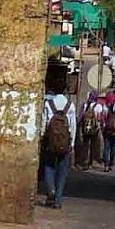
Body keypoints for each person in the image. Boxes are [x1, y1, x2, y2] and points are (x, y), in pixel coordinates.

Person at [40, 71, 76, 208]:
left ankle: (51, 189)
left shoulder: (49, 104)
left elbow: (44, 122)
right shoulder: (70, 106)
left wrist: (43, 137)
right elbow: (72, 126)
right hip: (65, 142)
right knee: (62, 171)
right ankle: (58, 200)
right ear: (65, 90)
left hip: (50, 141)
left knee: (48, 166)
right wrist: (72, 143)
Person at [101, 90, 115, 170]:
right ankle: (111, 164)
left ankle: (106, 164)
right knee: (114, 147)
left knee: (106, 147)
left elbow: (103, 119)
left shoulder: (105, 107)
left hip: (107, 130)